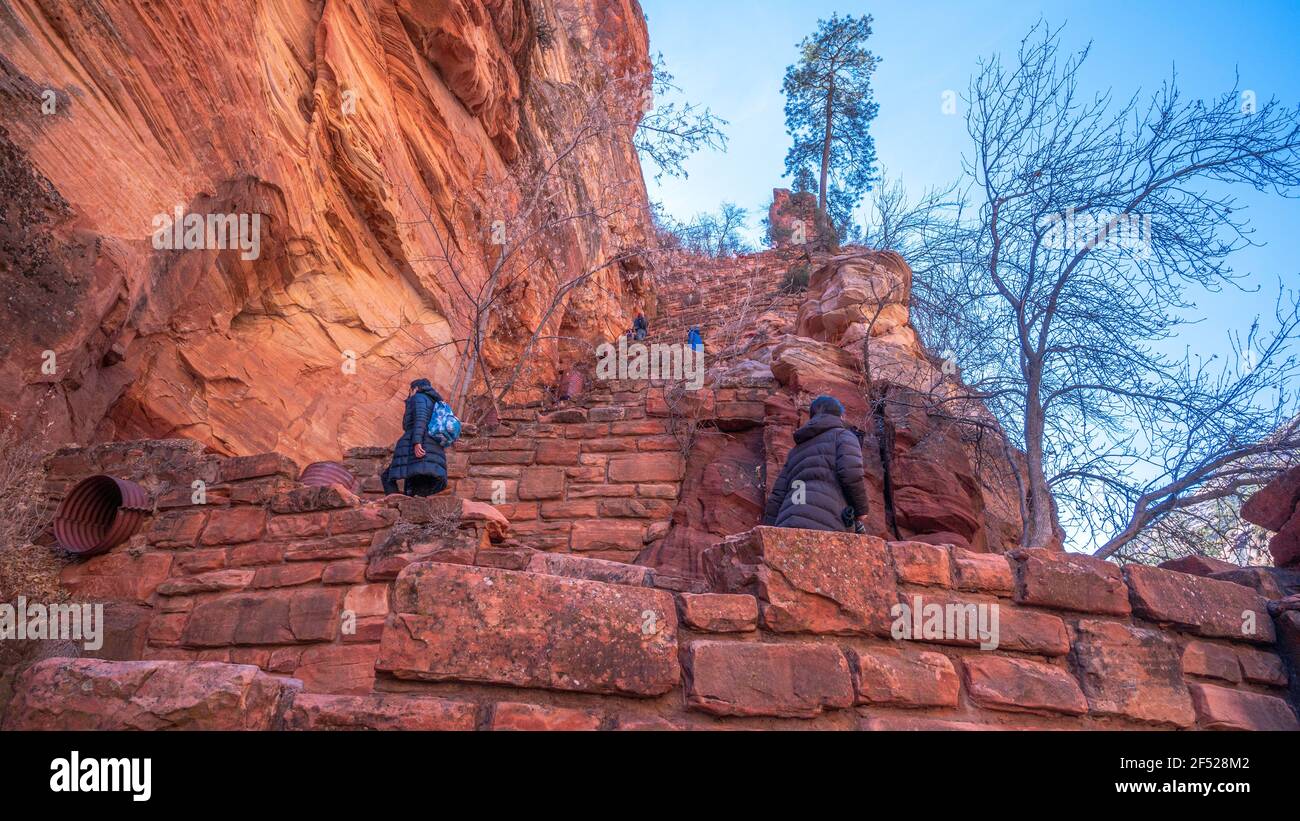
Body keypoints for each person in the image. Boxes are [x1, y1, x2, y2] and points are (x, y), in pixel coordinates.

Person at [762, 395, 870, 532]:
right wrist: (861, 510)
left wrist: (769, 531)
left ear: (812, 417)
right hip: (826, 523)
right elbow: (850, 473)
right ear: (841, 416)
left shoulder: (795, 451)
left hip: (787, 524)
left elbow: (777, 496)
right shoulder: (843, 436)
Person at [381, 378, 449, 497]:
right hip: (432, 447)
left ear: (415, 388)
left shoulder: (419, 398)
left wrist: (417, 443)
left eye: (410, 390)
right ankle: (403, 508)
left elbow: (420, 420)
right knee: (415, 486)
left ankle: (395, 503)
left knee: (388, 477)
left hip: (419, 445)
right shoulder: (434, 402)